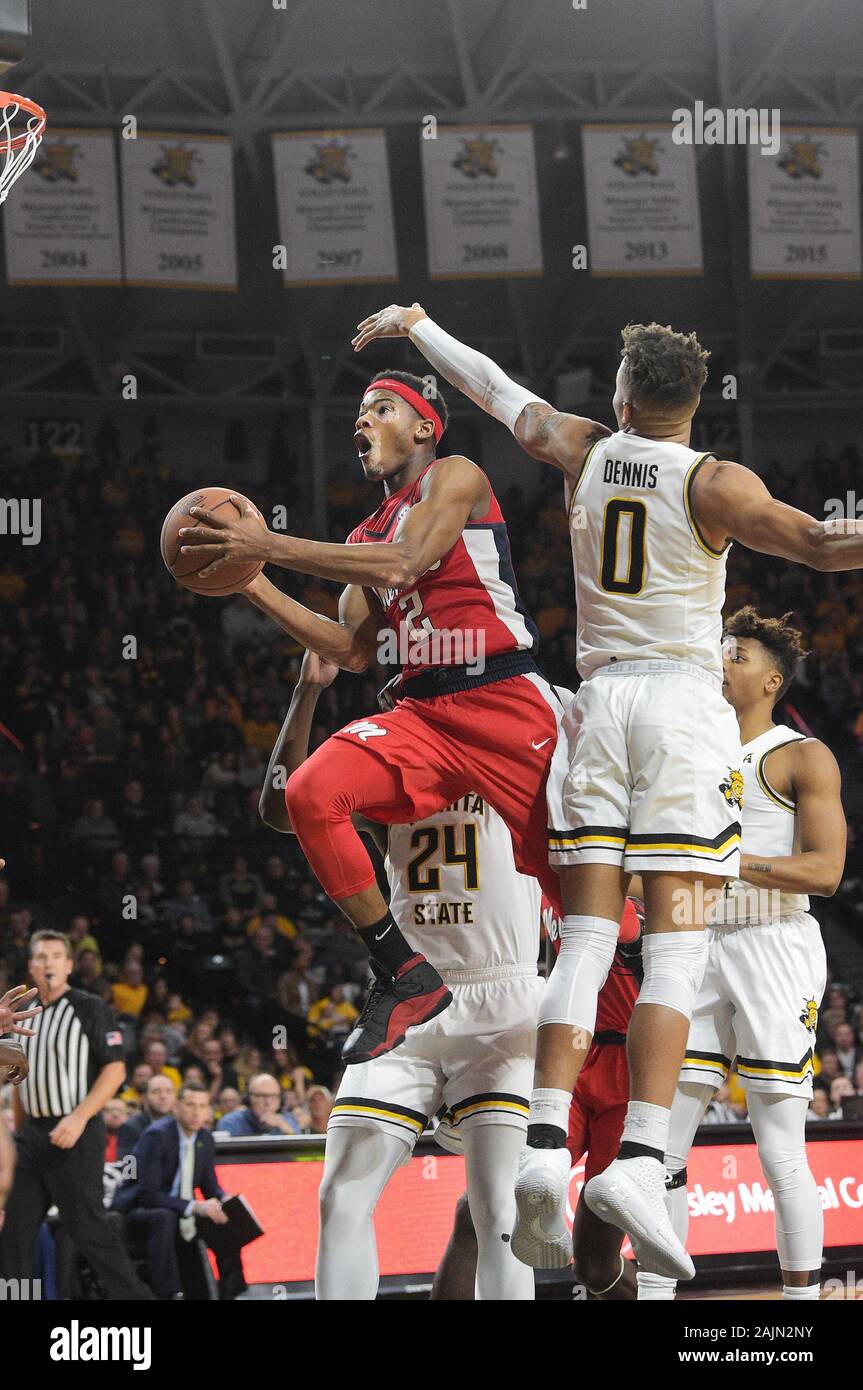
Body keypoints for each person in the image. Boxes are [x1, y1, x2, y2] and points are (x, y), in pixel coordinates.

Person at [356, 301, 863, 1279]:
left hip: (596, 705)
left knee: (586, 939)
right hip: (677, 710)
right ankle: (633, 1161)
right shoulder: (714, 481)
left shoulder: (582, 448)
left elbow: (497, 391)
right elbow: (819, 544)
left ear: (624, 396)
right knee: (671, 946)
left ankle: (544, 1143)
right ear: (695, 404)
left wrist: (420, 326)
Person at [178, 369, 565, 1066]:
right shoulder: (363, 532)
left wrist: (267, 546)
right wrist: (252, 582)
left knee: (588, 901)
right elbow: (351, 650)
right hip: (422, 709)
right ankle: (404, 973)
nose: (361, 422)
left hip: (504, 697)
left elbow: (405, 563)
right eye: (357, 413)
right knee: (308, 793)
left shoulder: (455, 475)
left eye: (380, 409)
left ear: (423, 427)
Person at [259, 651, 554, 1301]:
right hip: (409, 996)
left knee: (499, 1212)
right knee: (339, 1195)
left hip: (502, 993)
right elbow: (284, 808)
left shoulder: (524, 738)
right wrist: (305, 691)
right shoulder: (391, 764)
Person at [638, 609, 845, 1303]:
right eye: (720, 650)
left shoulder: (800, 754)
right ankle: (658, 1296)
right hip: (694, 939)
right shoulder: (688, 748)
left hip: (772, 941)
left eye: (738, 654)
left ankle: (798, 1307)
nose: (722, 661)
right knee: (661, 1145)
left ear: (771, 680)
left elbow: (823, 872)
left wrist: (726, 862)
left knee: (779, 1146)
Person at [432, 897, 643, 1301]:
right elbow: (549, 973)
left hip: (633, 1071)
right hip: (567, 1056)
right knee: (476, 1210)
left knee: (595, 1266)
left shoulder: (650, 869)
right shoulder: (547, 881)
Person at [0, 930, 151, 1298]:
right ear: (31, 965)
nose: (48, 961)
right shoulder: (20, 1017)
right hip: (32, 1137)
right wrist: (21, 1133)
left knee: (90, 1233)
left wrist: (80, 1117)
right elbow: (20, 1078)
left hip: (76, 1131)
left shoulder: (89, 1007)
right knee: (13, 1237)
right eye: (41, 955)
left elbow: (115, 1070)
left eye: (56, 955)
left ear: (69, 965)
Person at [115, 1082, 245, 1300]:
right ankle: (170, 1293)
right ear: (176, 1107)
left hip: (179, 1209)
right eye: (190, 1105)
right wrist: (195, 1206)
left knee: (226, 1216)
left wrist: (225, 1200)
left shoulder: (204, 1138)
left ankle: (232, 1292)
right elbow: (149, 1195)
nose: (196, 1112)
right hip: (139, 1209)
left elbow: (209, 1186)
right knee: (165, 1216)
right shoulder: (157, 1136)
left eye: (202, 1106)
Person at [214, 1072, 302, 1137]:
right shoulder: (230, 1123)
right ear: (248, 1099)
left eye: (273, 1096)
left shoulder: (288, 1120)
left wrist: (284, 1127)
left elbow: (300, 1153)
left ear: (281, 1100)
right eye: (261, 1096)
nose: (268, 1102)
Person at [117, 1073, 177, 1159]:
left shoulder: (180, 1125)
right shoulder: (130, 1127)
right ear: (144, 1098)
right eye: (156, 1091)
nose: (163, 1096)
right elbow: (129, 1167)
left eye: (168, 1091)